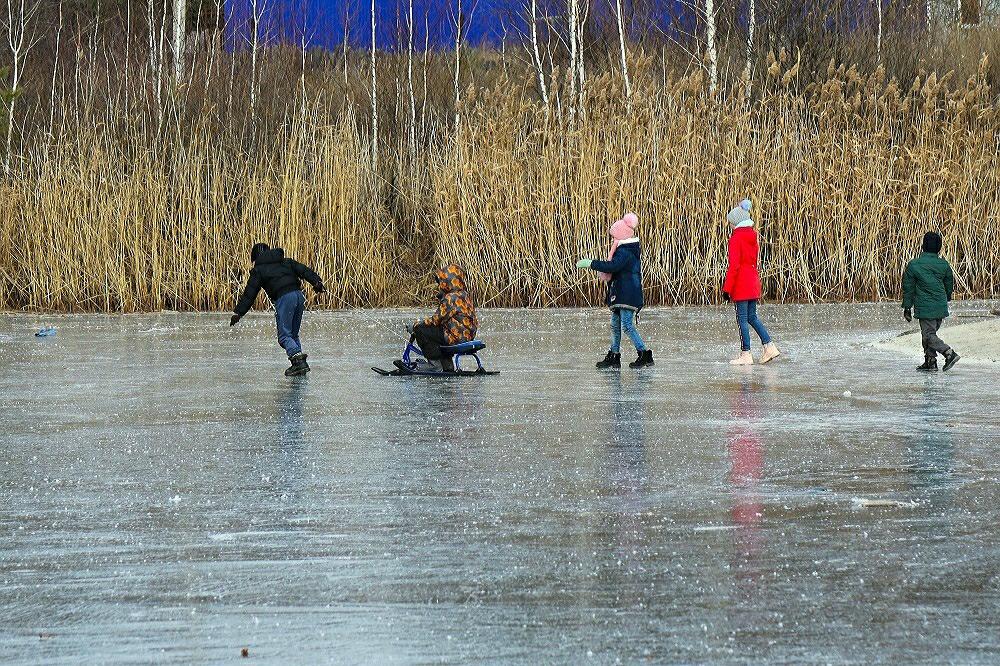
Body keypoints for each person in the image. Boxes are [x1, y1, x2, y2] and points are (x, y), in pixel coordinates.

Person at [231, 243, 325, 377]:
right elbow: (304, 271)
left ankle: (298, 362)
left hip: (284, 299)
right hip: (298, 296)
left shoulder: (259, 270)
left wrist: (239, 312)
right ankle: (298, 365)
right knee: (292, 334)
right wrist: (317, 283)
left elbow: (249, 294)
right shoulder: (286, 262)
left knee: (284, 336)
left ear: (256, 257)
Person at [576, 213, 654, 369]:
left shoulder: (625, 251)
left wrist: (592, 263)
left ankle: (644, 354)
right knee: (615, 324)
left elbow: (613, 267)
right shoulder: (624, 249)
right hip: (621, 293)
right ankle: (614, 355)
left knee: (626, 325)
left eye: (614, 236)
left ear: (623, 235)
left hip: (628, 294)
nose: (612, 240)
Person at [722, 199, 780, 366]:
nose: (730, 226)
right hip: (753, 280)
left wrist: (727, 289)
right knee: (752, 317)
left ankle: (746, 353)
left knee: (742, 319)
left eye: (731, 223)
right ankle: (769, 346)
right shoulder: (752, 236)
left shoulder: (736, 239)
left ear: (736, 223)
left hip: (741, 283)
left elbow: (734, 266)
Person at [903, 231, 960, 372]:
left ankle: (949, 353)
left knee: (928, 336)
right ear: (939, 247)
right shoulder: (944, 265)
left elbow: (908, 288)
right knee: (928, 334)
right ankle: (930, 362)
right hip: (940, 305)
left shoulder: (914, 265)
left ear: (923, 246)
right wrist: (945, 299)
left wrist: (907, 308)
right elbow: (949, 286)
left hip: (925, 306)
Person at [406, 264, 478, 373]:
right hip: (466, 336)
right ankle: (447, 366)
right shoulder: (464, 295)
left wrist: (416, 324)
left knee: (421, 330)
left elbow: (435, 320)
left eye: (441, 281)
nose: (439, 285)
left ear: (447, 281)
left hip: (455, 338)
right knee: (439, 332)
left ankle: (434, 365)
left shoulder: (450, 298)